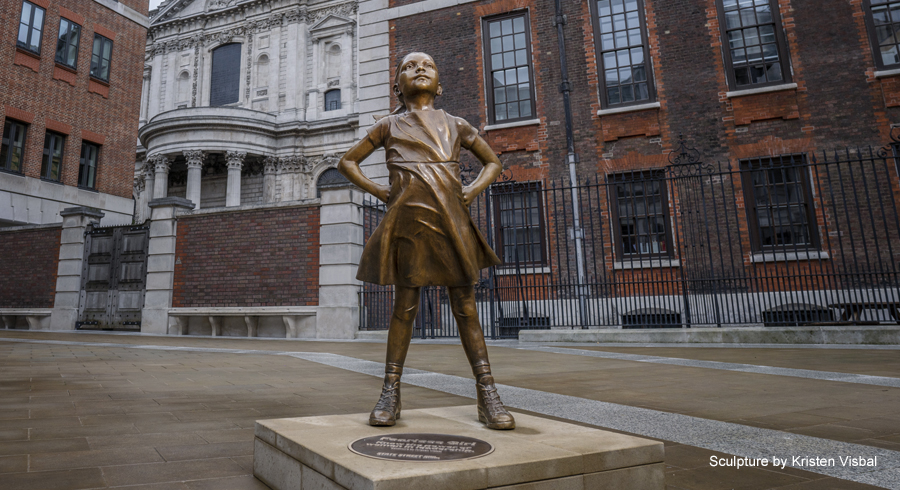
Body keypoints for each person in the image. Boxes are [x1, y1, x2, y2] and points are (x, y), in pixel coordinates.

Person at [338, 52, 515, 430]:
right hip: (407, 224)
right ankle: (390, 391)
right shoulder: (388, 125)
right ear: (396, 87)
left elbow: (493, 163)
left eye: (428, 66)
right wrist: (381, 192)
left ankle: (487, 392)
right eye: (408, 66)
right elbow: (347, 163)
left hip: (452, 221)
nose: (419, 68)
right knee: (404, 307)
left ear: (440, 85)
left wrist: (470, 192)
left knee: (466, 307)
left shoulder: (457, 124)